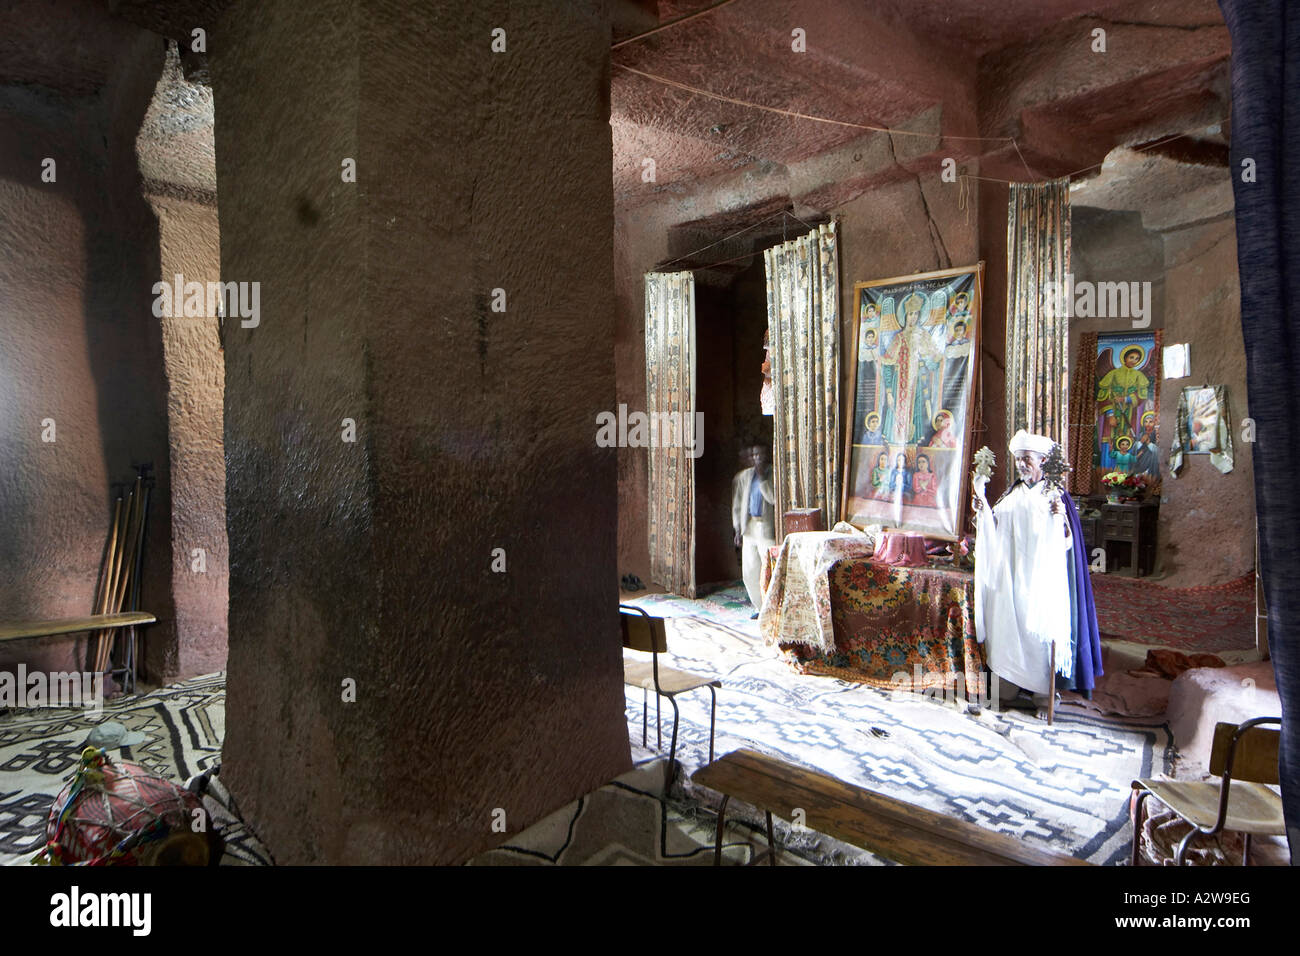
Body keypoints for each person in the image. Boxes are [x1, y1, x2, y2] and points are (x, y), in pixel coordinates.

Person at [972, 430, 1103, 703]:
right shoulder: (1011, 495)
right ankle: (1010, 680)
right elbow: (993, 531)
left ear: (1042, 460)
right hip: (1010, 580)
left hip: (1040, 582)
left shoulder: (1055, 496)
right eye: (1018, 459)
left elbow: (1069, 543)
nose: (1021, 465)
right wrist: (982, 510)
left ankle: (1044, 689)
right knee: (1007, 638)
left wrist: (1060, 521)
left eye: (1027, 459)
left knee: (1039, 637)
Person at [732, 446, 776, 615]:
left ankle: (771, 608)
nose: (758, 458)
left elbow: (772, 498)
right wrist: (737, 529)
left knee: (769, 569)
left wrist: (763, 478)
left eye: (761, 455)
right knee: (750, 571)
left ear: (767, 456)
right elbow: (736, 505)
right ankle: (760, 607)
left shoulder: (774, 473)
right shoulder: (743, 477)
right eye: (755, 455)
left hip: (766, 527)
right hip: (749, 527)